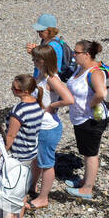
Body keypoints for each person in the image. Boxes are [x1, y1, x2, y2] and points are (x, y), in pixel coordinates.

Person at [57, 40, 109, 200]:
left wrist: (90, 104)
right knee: (87, 152)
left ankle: (87, 188)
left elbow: (101, 93)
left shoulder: (94, 72)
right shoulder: (81, 68)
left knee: (91, 154)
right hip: (81, 118)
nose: (73, 55)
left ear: (87, 55)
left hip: (91, 119)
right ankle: (84, 181)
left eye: (76, 52)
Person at [28, 45, 75, 209]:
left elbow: (69, 99)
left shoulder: (51, 78)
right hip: (39, 125)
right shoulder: (41, 75)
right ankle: (32, 187)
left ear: (45, 60)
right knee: (36, 159)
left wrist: (52, 106)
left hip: (48, 127)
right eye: (33, 58)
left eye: (37, 59)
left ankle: (43, 197)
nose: (34, 61)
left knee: (47, 163)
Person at [0, 74, 44, 218]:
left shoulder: (19, 110)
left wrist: (1, 152)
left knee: (10, 190)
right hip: (31, 151)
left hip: (18, 154)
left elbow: (10, 136)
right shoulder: (38, 105)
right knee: (23, 188)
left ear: (23, 91)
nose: (11, 89)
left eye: (14, 88)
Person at [26, 13, 77, 82]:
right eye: (37, 30)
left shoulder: (54, 46)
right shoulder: (45, 40)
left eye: (41, 31)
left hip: (45, 81)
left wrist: (35, 53)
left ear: (50, 30)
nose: (38, 33)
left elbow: (52, 69)